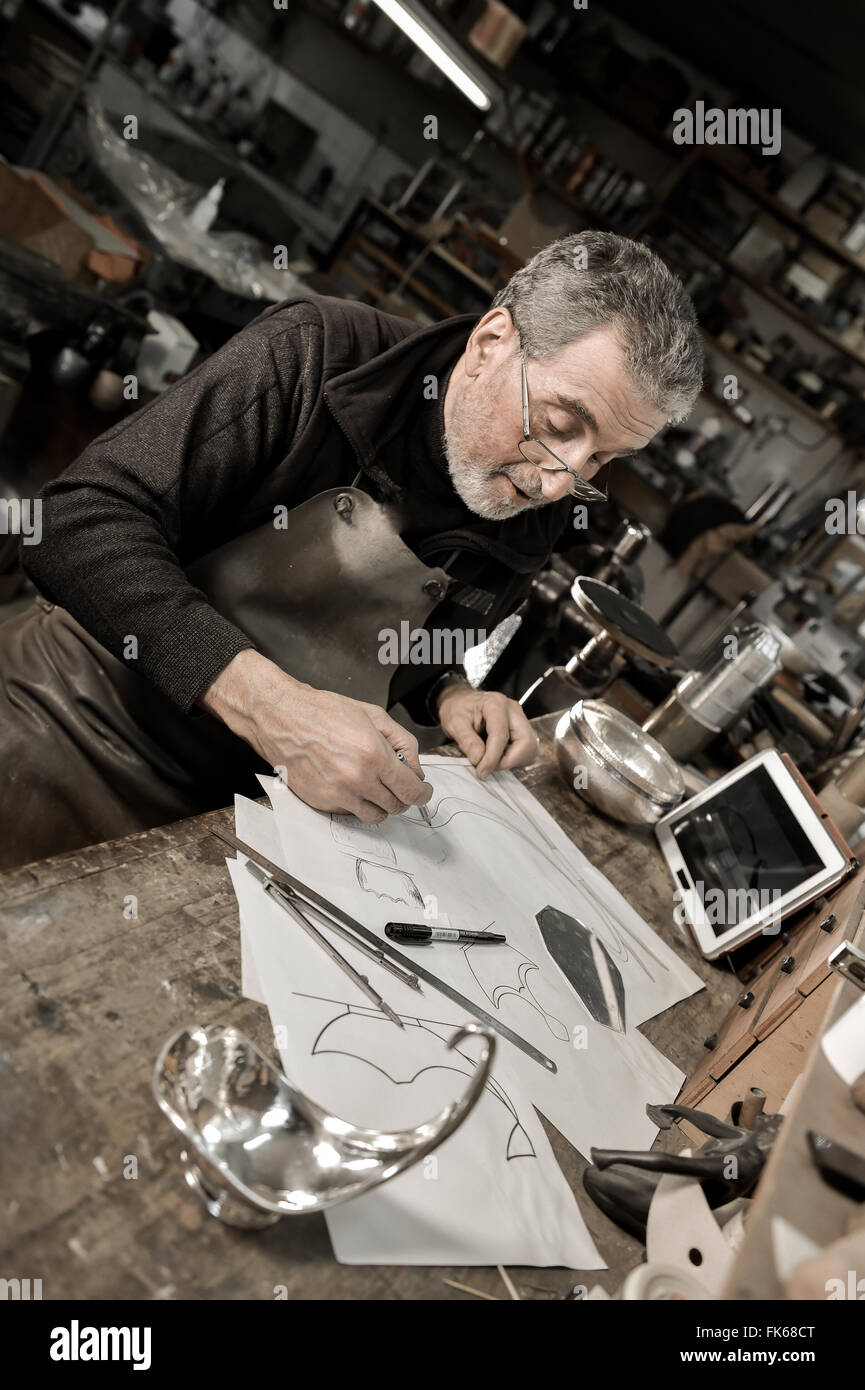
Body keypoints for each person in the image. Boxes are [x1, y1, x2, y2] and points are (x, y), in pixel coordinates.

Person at [0, 231, 703, 870]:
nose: (561, 480)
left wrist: (447, 691)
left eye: (603, 458)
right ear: (491, 342)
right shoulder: (315, 356)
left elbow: (406, 640)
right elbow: (75, 520)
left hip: (237, 817)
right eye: (556, 423)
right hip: (68, 720)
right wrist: (270, 706)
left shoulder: (536, 503)